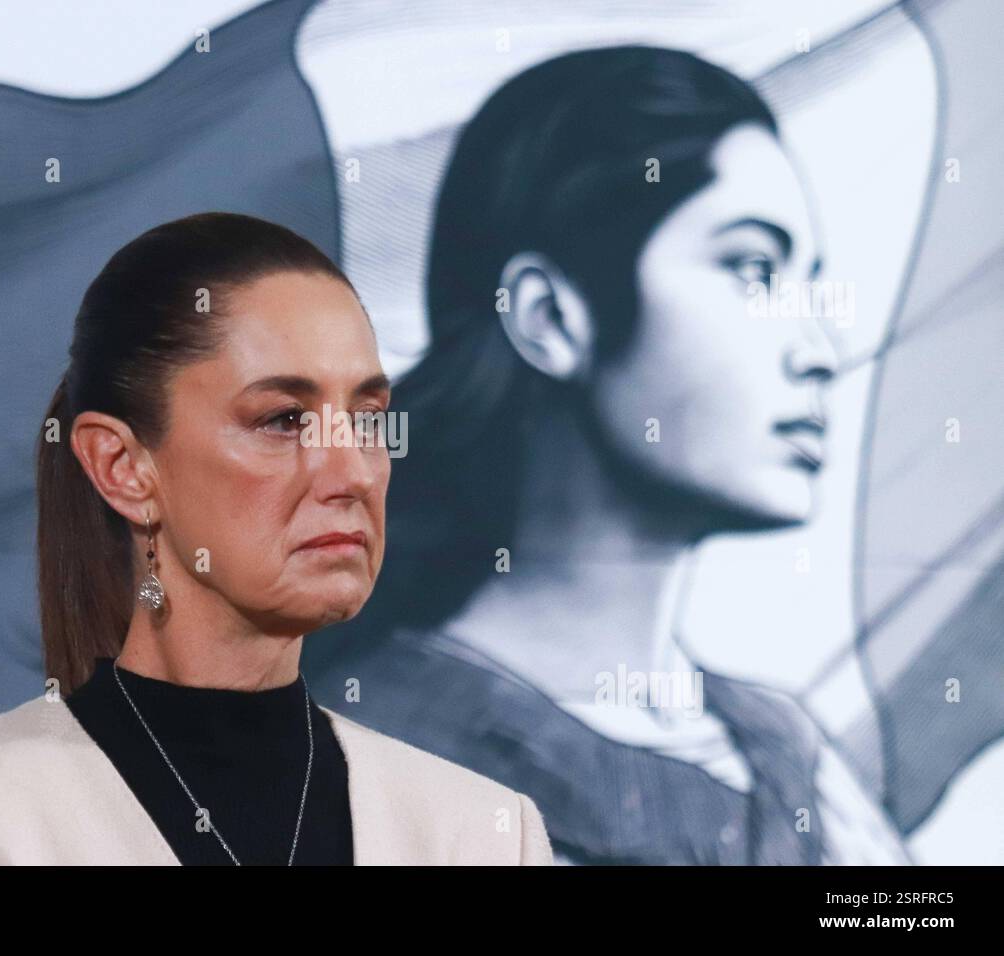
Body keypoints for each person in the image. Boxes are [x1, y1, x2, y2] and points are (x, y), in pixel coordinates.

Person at [304, 46, 911, 865]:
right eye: (754, 269)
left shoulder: (786, 752)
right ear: (551, 318)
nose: (819, 348)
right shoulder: (376, 748)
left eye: (809, 284)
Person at [0, 212, 553, 865]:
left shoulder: (485, 832)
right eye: (283, 420)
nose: (351, 473)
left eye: (368, 419)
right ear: (124, 468)